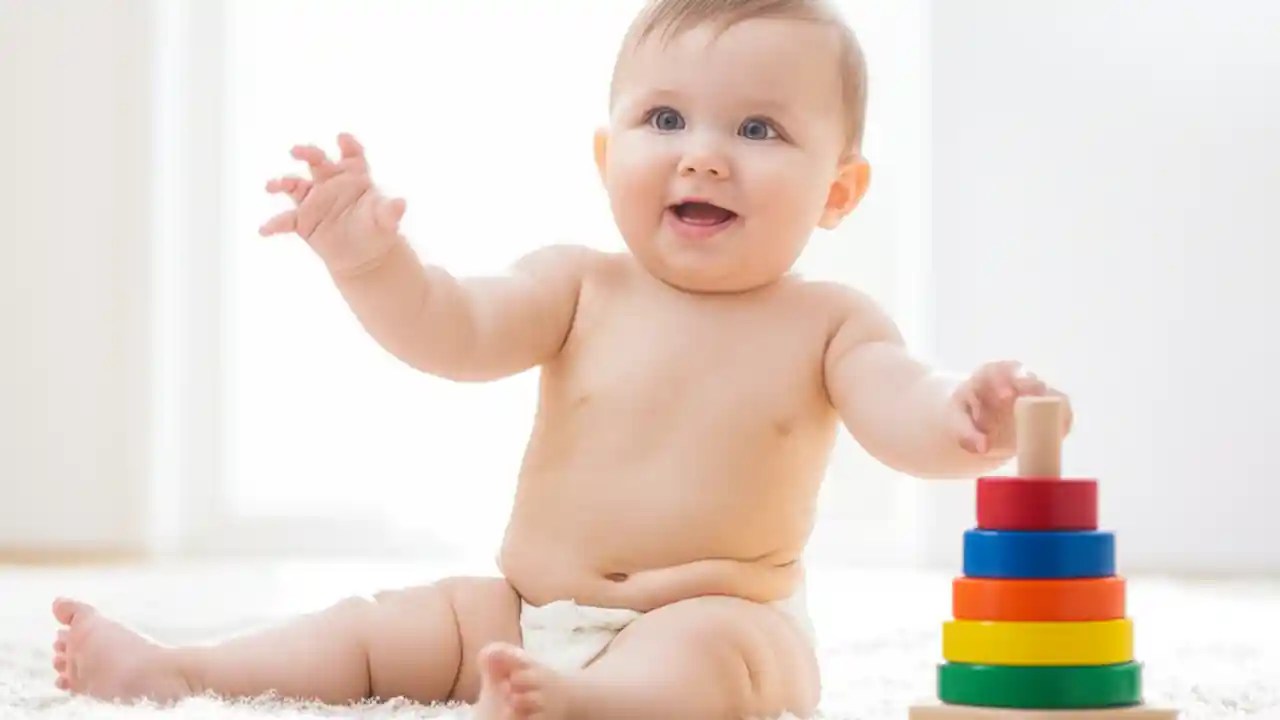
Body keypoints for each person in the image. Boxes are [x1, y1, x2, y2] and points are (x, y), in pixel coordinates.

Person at [51, 1, 1072, 718]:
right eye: (663, 118)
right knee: (383, 626)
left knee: (725, 664)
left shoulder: (830, 322)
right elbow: (450, 329)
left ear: (838, 194)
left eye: (756, 128)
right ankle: (186, 672)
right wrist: (371, 261)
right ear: (606, 154)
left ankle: (587, 707)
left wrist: (962, 415)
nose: (701, 153)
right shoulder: (577, 283)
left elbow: (903, 411)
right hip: (525, 608)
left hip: (715, 612)